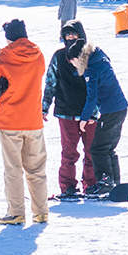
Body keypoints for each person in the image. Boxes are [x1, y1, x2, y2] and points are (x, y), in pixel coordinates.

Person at [0, 19, 48, 225]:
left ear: (8, 37)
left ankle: (16, 212)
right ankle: (41, 212)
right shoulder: (38, 56)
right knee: (36, 169)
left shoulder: (1, 60)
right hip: (33, 119)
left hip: (10, 120)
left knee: (13, 169)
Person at [69, 21, 128, 195]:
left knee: (98, 148)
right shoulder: (98, 56)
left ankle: (105, 181)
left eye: (73, 61)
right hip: (120, 108)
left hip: (111, 111)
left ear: (78, 58)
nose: (73, 65)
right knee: (108, 147)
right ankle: (115, 182)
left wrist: (84, 119)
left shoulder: (91, 70)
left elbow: (92, 97)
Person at [42, 21, 96, 199]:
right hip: (66, 111)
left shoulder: (91, 53)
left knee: (91, 151)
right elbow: (51, 82)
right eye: (67, 35)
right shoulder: (59, 56)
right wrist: (44, 107)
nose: (71, 38)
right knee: (69, 152)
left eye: (74, 34)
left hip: (89, 113)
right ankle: (68, 186)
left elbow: (100, 82)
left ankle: (91, 184)